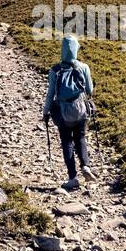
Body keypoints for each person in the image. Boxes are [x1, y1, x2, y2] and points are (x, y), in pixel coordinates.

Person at [43, 34, 96, 189]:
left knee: (67, 142)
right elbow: (89, 90)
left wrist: (46, 112)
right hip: (81, 110)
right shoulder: (83, 67)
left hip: (64, 112)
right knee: (80, 137)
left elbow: (50, 94)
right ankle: (85, 166)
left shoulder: (55, 70)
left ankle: (72, 178)